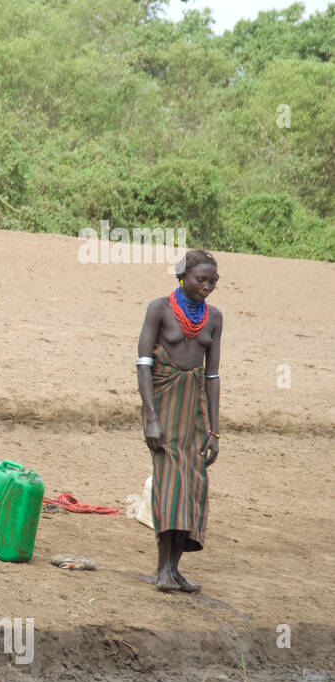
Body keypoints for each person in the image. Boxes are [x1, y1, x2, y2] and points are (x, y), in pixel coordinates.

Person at [136, 249, 222, 592]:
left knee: (192, 486)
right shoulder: (159, 308)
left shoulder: (213, 318)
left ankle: (174, 569)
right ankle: (161, 570)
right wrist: (150, 417)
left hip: (195, 411)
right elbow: (143, 362)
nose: (207, 286)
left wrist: (214, 431)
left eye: (213, 281)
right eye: (201, 279)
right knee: (170, 486)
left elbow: (213, 376)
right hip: (164, 404)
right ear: (182, 275)